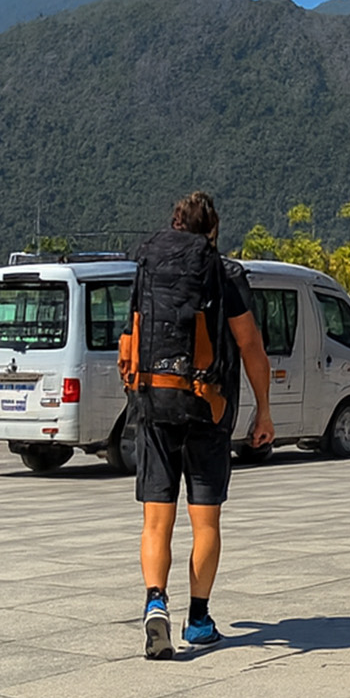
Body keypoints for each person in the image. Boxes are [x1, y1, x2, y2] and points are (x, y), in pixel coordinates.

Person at [122, 192, 275, 660]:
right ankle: (200, 618)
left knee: (156, 520)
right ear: (213, 230)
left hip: (155, 404)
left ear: (174, 226)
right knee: (205, 520)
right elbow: (250, 347)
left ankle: (155, 602)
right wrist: (263, 410)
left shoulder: (149, 268)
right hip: (209, 407)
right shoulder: (225, 273)